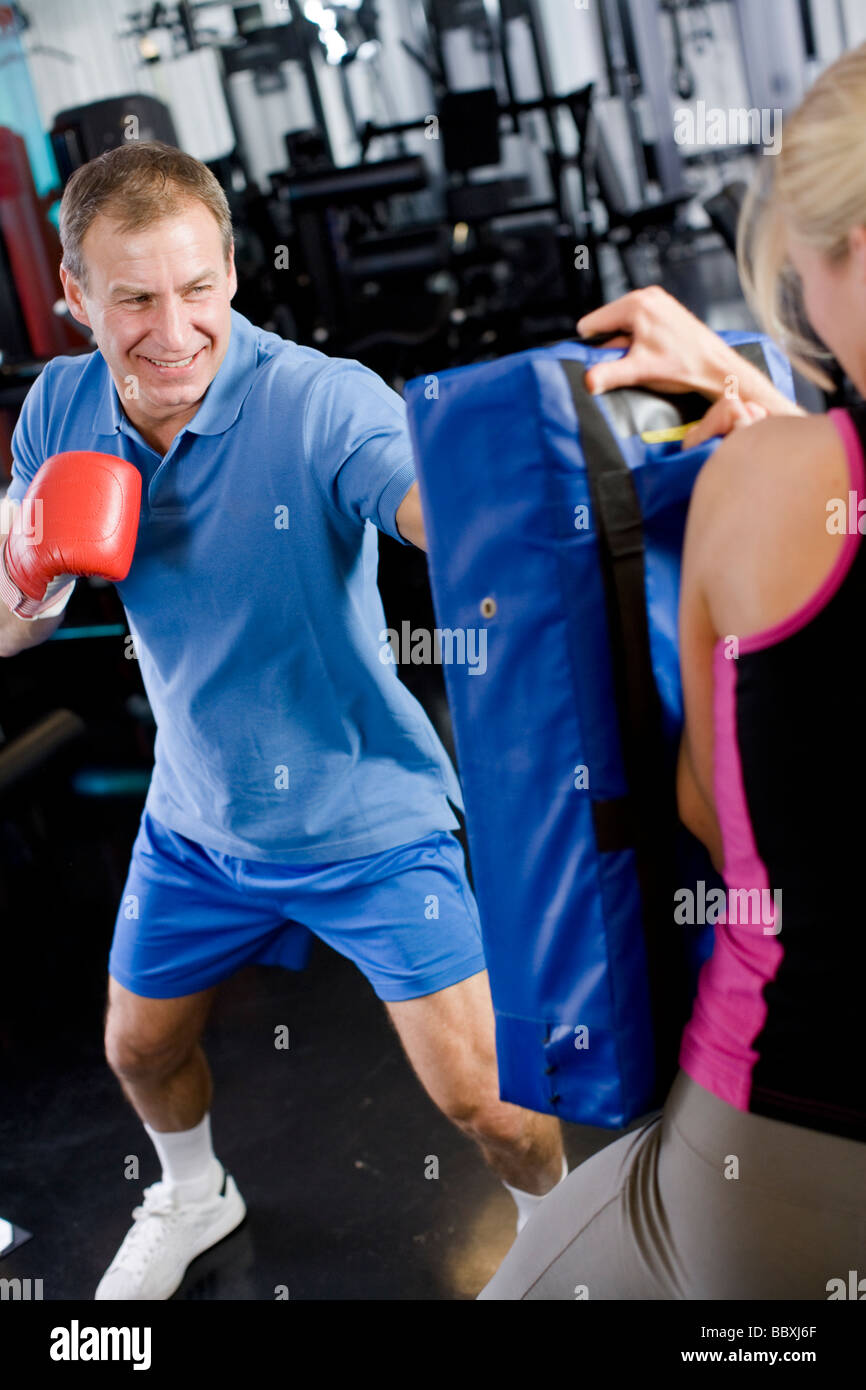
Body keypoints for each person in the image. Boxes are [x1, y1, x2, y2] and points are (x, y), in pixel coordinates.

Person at [0, 139, 566, 1302]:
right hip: (197, 816)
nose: (173, 331)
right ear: (73, 297)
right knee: (139, 1049)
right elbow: (10, 627)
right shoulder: (58, 404)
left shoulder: (318, 401)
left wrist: (495, 505)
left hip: (363, 817)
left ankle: (572, 1242)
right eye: (134, 299)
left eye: (198, 288)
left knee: (493, 1109)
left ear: (231, 275)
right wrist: (26, 567)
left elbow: (416, 496)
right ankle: (197, 1194)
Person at [479, 42, 866, 1299]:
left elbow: (711, 812)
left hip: (792, 1147)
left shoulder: (766, 490)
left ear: (830, 246)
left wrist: (774, 445)